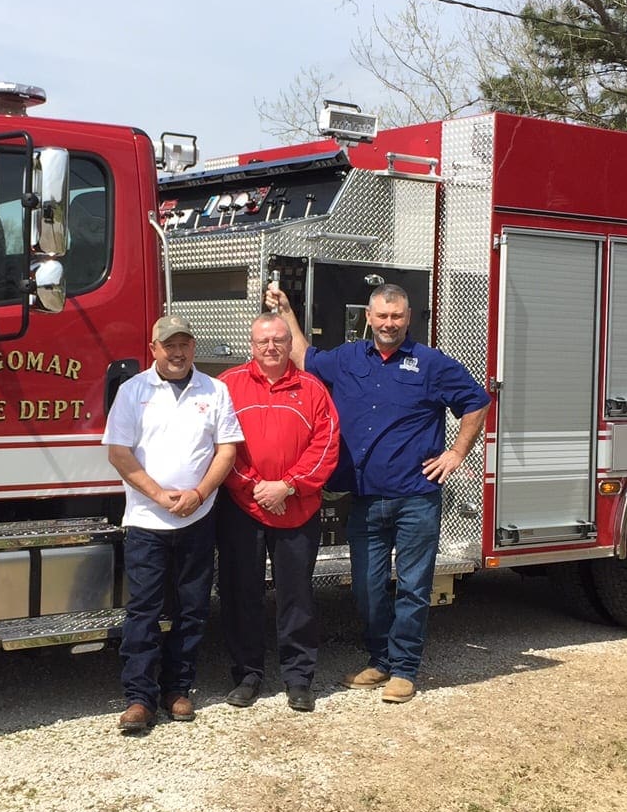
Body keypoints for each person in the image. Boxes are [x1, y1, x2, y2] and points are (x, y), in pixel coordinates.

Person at [267, 282, 489, 703]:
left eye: (397, 316)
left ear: (408, 319)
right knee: (366, 587)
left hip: (415, 498)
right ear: (368, 318)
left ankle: (404, 669)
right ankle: (380, 660)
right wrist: (287, 310)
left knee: (412, 585)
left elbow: (476, 402)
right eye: (382, 316)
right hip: (365, 499)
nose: (389, 323)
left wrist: (457, 453)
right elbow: (301, 355)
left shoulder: (431, 364)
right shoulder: (349, 357)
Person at [102, 314, 242, 734]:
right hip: (147, 519)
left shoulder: (215, 390)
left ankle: (177, 690)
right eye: (169, 345)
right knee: (143, 611)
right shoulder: (133, 391)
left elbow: (227, 450)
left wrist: (198, 494)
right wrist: (159, 495)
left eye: (185, 344)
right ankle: (139, 698)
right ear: (154, 349)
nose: (178, 352)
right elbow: (119, 454)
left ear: (193, 347)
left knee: (193, 610)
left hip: (198, 518)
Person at [216, 312, 340, 712]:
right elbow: (218, 445)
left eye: (278, 341)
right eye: (262, 341)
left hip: (296, 508)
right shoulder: (228, 386)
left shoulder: (313, 389)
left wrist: (287, 485)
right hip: (242, 507)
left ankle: (299, 678)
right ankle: (248, 674)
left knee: (297, 596)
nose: (270, 348)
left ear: (290, 344)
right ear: (251, 346)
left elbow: (326, 444)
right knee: (241, 593)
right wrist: (254, 486)